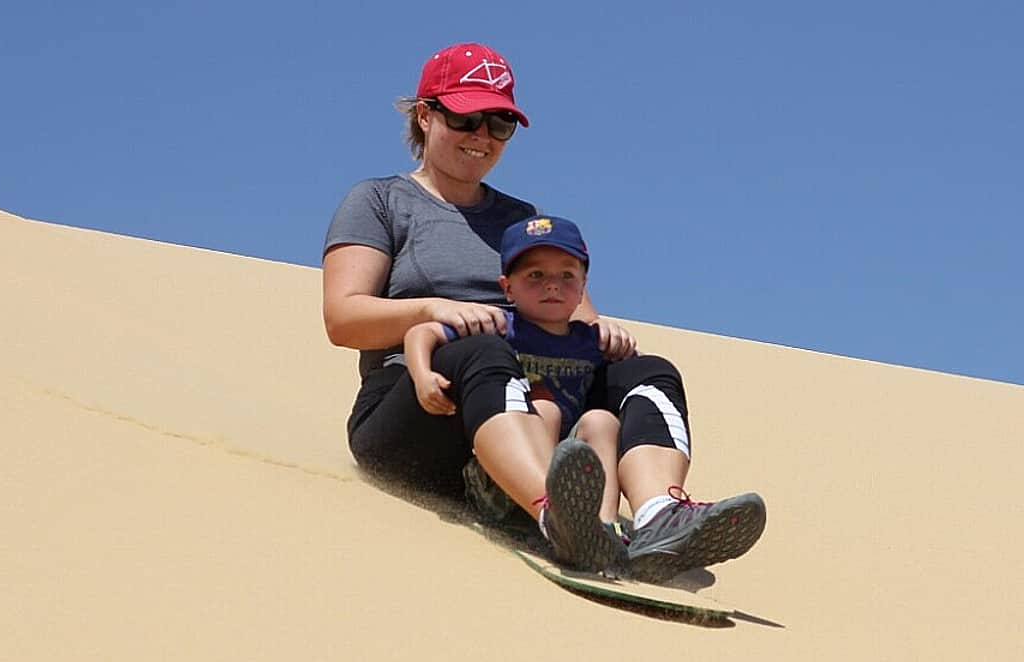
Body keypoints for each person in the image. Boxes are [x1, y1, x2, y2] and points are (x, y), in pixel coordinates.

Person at [322, 42, 765, 582]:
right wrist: (435, 309)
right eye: (465, 117)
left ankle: (658, 516)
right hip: (419, 414)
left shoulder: (519, 219)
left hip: (529, 402)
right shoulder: (380, 201)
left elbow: (578, 318)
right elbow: (342, 318)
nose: (481, 136)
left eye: (500, 124)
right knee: (482, 349)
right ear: (425, 114)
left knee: (646, 372)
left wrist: (607, 335)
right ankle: (554, 518)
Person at [404, 214, 626, 536]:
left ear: (582, 290)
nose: (552, 284)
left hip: (566, 460)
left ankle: (605, 530)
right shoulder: (501, 326)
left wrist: (621, 340)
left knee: (603, 422)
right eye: (535, 275)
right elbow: (421, 333)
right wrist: (423, 375)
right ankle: (550, 512)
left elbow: (633, 369)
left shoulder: (591, 341)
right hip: (497, 476)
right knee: (545, 406)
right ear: (507, 288)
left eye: (567, 275)